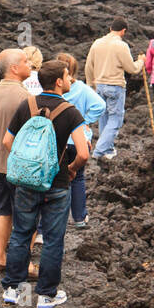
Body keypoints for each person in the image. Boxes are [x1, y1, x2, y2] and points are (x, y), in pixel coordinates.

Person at [1, 59, 88, 308]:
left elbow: (8, 142)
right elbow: (83, 153)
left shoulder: (26, 105)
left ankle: (12, 290)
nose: (71, 80)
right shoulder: (71, 112)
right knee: (53, 239)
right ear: (59, 82)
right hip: (57, 184)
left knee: (20, 233)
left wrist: (27, 164)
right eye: (68, 77)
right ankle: (47, 295)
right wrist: (70, 170)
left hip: (27, 183)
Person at [0, 49, 34, 275]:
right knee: (27, 214)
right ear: (14, 68)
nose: (29, 64)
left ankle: (0, 258)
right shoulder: (25, 97)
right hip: (20, 165)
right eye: (25, 61)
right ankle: (23, 263)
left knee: (2, 211)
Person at [84, 17, 145, 159]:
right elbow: (132, 69)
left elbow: (88, 66)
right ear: (123, 31)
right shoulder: (121, 46)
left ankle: (108, 149)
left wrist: (90, 85)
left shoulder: (97, 43)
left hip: (99, 85)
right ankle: (99, 151)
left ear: (111, 28)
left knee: (104, 117)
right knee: (115, 120)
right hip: (115, 86)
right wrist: (141, 62)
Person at [57, 52, 105, 228]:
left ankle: (45, 226)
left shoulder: (52, 90)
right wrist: (85, 120)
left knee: (53, 179)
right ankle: (79, 218)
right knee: (77, 179)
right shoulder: (82, 89)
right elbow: (100, 105)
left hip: (58, 141)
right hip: (79, 142)